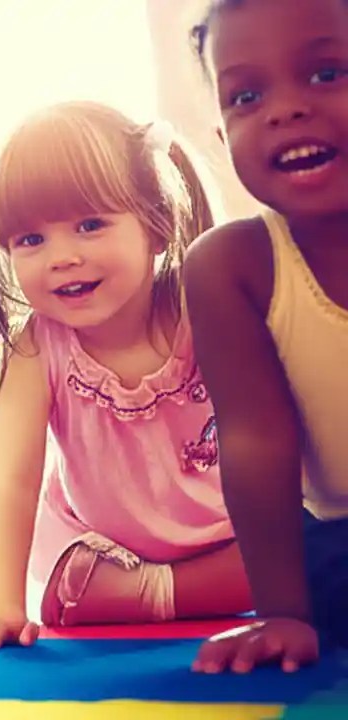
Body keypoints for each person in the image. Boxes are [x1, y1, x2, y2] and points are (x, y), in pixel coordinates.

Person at [0, 101, 251, 653]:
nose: (62, 257)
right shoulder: (36, 347)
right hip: (105, 553)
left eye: (90, 225)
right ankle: (179, 592)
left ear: (157, 225)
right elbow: (12, 480)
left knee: (304, 553)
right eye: (30, 240)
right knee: (63, 589)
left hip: (221, 538)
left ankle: (162, 593)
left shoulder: (202, 309)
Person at [186, 0, 348, 674]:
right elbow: (255, 439)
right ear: (224, 140)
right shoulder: (231, 267)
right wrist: (282, 612)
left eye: (327, 72)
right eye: (246, 95)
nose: (284, 110)